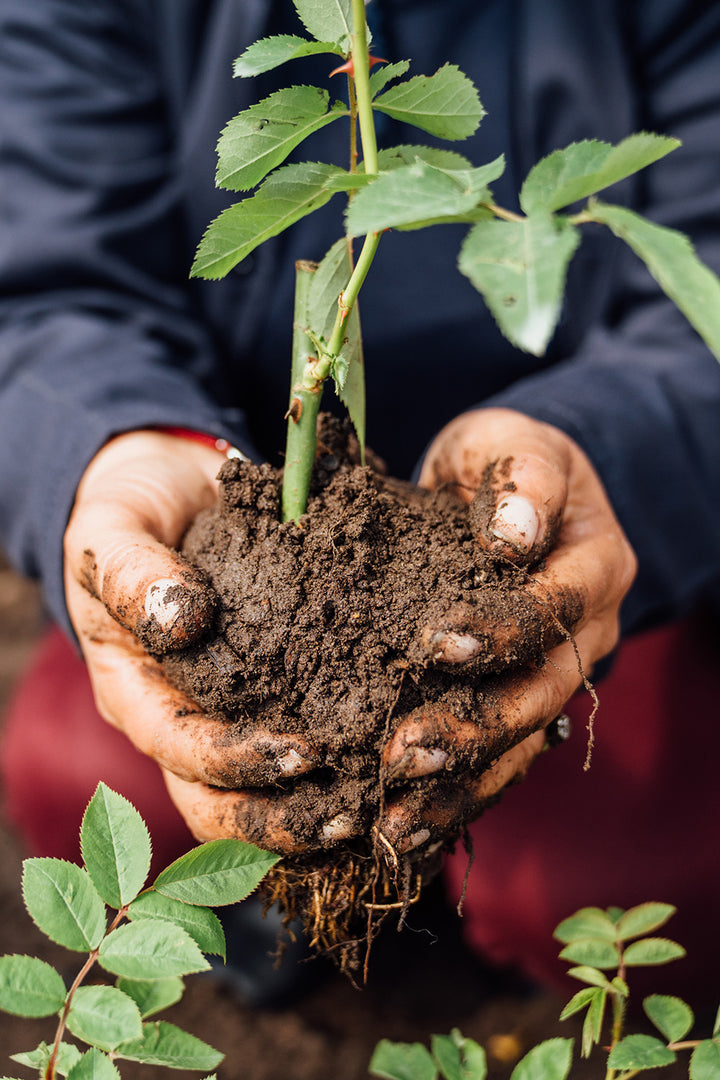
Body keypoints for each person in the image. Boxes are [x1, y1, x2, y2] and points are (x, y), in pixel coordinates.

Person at [1, 0, 719, 998]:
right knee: (75, 768)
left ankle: (457, 945)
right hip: (233, 480)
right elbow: (44, 290)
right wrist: (111, 445)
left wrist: (610, 453)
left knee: (624, 876)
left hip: (559, 522)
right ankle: (298, 920)